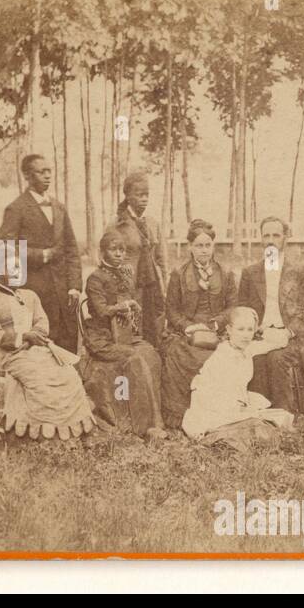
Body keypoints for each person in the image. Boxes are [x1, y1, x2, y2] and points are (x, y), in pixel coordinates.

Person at [0, 252, 98, 441]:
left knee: (67, 374)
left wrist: (31, 340)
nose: (17, 272)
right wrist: (25, 337)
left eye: (19, 268)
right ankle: (46, 434)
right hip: (10, 356)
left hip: (37, 350)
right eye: (11, 268)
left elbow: (42, 324)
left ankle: (70, 429)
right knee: (39, 378)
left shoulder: (30, 296)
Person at [79, 230, 166, 440]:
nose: (118, 254)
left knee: (150, 354)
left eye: (122, 250)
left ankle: (157, 419)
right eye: (113, 249)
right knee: (134, 359)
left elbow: (131, 309)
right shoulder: (94, 279)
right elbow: (100, 311)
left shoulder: (125, 274)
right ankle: (143, 426)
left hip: (123, 334)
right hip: (100, 338)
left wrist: (133, 313)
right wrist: (124, 305)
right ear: (102, 252)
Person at [0, 154, 82, 353]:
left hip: (64, 294)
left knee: (67, 348)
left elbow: (71, 250)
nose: (47, 175)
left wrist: (75, 286)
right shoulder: (16, 208)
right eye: (41, 171)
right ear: (27, 175)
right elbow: (3, 249)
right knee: (40, 348)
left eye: (49, 171)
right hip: (34, 291)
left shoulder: (59, 208)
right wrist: (40, 255)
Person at [235, 216, 304, 415]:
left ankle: (283, 413)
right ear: (261, 239)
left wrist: (288, 332)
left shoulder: (301, 271)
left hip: (291, 336)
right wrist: (253, 330)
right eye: (266, 236)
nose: (271, 240)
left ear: (285, 239)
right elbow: (243, 308)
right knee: (252, 357)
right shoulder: (250, 272)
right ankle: (256, 413)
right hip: (259, 335)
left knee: (276, 358)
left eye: (276, 235)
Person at [181, 307, 295, 447]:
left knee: (280, 418)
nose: (246, 335)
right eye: (240, 330)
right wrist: (243, 408)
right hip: (213, 403)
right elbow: (218, 392)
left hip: (234, 400)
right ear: (229, 330)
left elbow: (273, 344)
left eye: (249, 330)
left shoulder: (247, 348)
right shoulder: (224, 354)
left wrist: (274, 333)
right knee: (256, 424)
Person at [160, 219, 236, 429]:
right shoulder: (179, 274)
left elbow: (232, 307)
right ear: (190, 247)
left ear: (213, 246)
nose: (204, 250)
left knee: (223, 357)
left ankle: (216, 414)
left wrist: (215, 324)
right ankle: (181, 416)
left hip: (216, 332)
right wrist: (188, 327)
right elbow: (171, 310)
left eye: (207, 245)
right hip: (186, 333)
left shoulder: (226, 273)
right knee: (179, 355)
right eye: (199, 246)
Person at [108, 173, 166, 346]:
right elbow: (107, 260)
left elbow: (161, 259)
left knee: (154, 330)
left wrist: (163, 285)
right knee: (131, 332)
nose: (144, 199)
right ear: (127, 196)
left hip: (152, 287)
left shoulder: (153, 223)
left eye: (146, 194)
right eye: (139, 195)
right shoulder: (117, 224)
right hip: (128, 288)